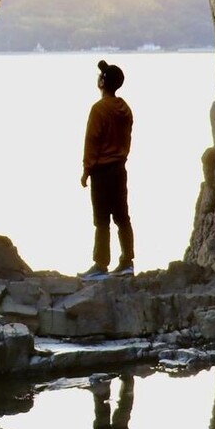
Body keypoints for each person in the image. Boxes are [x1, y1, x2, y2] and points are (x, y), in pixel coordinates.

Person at [81, 59, 134, 279]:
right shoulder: (125, 109)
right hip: (120, 169)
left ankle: (101, 265)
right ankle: (127, 262)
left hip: (101, 170)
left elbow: (92, 142)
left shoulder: (99, 109)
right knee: (122, 216)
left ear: (102, 82)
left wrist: (86, 170)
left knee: (101, 220)